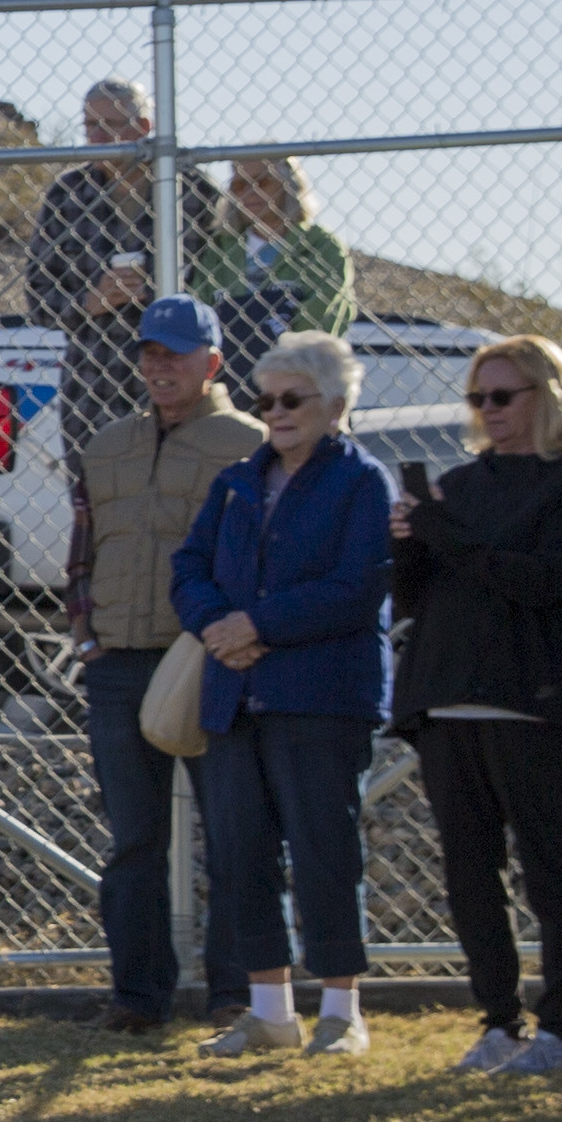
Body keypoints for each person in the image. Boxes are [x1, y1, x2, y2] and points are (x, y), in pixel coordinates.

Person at [176, 331, 397, 1059]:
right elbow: (189, 565)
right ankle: (268, 1010)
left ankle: (341, 1011)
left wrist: (257, 622)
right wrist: (216, 624)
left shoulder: (361, 481)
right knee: (241, 854)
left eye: (292, 397)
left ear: (334, 405)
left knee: (324, 848)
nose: (276, 411)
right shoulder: (238, 480)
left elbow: (358, 585)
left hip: (320, 697)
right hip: (237, 695)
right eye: (265, 397)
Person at [395, 333, 562, 1073]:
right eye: (478, 397)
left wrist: (444, 534)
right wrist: (411, 544)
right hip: (446, 700)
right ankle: (497, 1022)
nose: (488, 410)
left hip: (531, 702)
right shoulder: (459, 483)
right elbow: (420, 593)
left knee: (550, 869)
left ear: (547, 396)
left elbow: (544, 582)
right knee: (469, 871)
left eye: (503, 396)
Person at [63, 295, 260, 1037]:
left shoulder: (249, 442)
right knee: (135, 841)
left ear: (212, 362)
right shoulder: (107, 443)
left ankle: (235, 992)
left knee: (234, 831)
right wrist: (85, 633)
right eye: (149, 352)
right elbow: (83, 550)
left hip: (210, 660)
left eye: (175, 353)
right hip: (117, 666)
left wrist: (232, 639)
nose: (158, 365)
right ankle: (138, 997)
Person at [22, 83, 226, 438]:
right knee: (99, 491)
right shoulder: (68, 194)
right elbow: (37, 295)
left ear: (144, 127)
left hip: (181, 384)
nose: (98, 137)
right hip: (93, 385)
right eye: (90, 126)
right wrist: (91, 302)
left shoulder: (192, 192)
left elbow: (225, 286)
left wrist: (162, 294)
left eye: (111, 125)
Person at [213, 156, 355, 365]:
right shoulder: (219, 250)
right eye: (239, 184)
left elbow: (320, 318)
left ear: (289, 184)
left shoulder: (321, 247)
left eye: (262, 182)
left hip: (299, 374)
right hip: (229, 371)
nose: (250, 192)